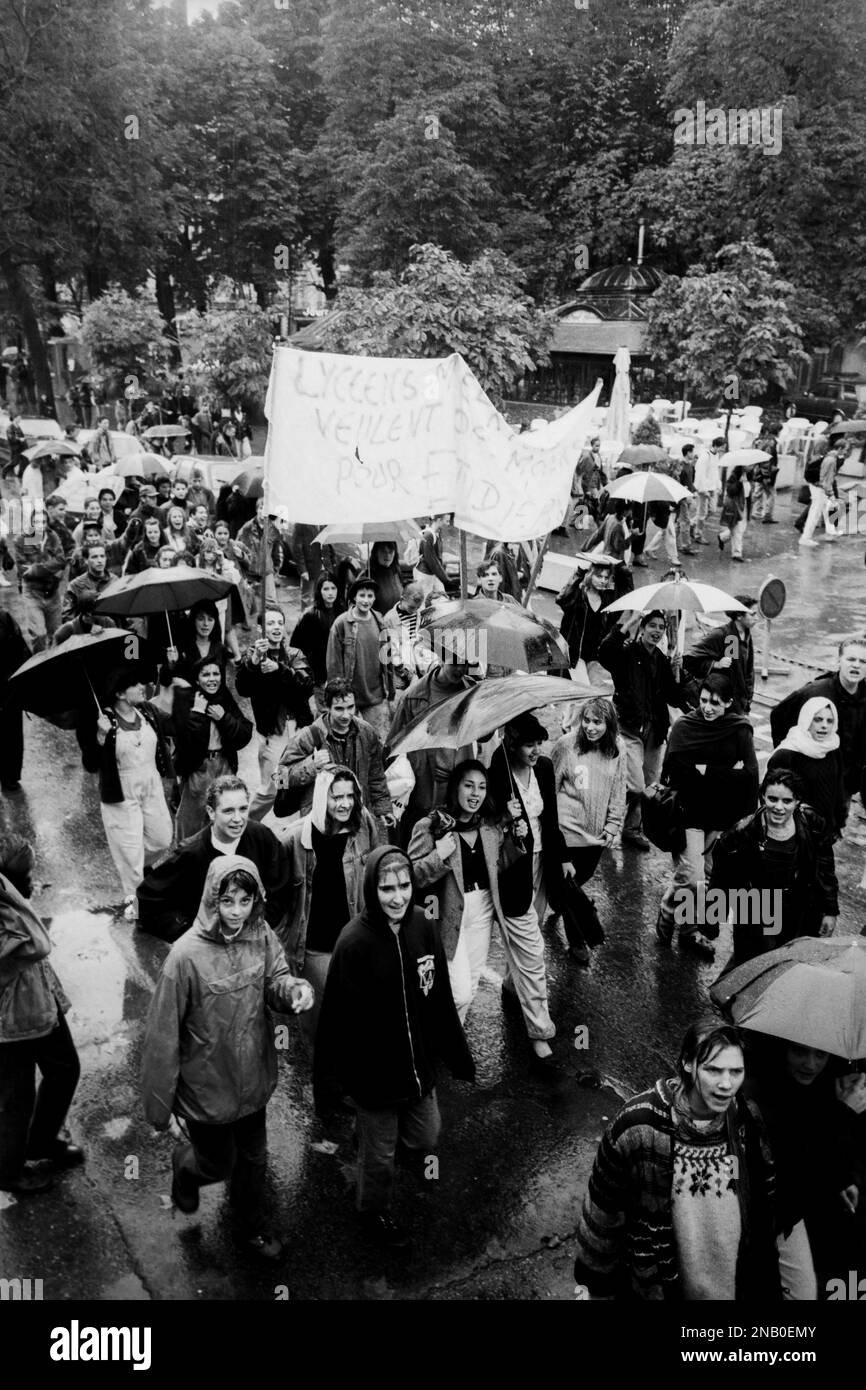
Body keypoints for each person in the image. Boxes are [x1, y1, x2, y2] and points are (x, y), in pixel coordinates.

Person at [141, 855, 313, 1262]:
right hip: (207, 1091)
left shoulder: (263, 934)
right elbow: (162, 1038)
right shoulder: (183, 958)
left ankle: (248, 1229)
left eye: (245, 901)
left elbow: (275, 978)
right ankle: (186, 1167)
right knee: (218, 1164)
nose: (237, 912)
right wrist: (159, 1109)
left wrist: (291, 991)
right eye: (228, 901)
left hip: (253, 1080)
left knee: (253, 1162)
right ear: (212, 900)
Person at [313, 846, 475, 1251]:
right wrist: (330, 1089)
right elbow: (334, 1022)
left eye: (404, 886)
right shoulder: (353, 943)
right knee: (380, 1159)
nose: (398, 897)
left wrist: (457, 1055)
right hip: (374, 1079)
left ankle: (369, 1141)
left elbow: (439, 999)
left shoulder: (423, 925)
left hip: (418, 1069)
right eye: (387, 888)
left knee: (425, 1138)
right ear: (372, 889)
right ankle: (372, 1213)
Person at [573, 1018, 782, 1302]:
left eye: (736, 1071)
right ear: (687, 1063)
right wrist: (594, 1284)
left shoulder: (747, 1119)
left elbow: (766, 1199)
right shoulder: (639, 1126)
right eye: (713, 1070)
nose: (726, 1084)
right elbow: (604, 1208)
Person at [744, 1039, 866, 1297]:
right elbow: (796, 1168)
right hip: (765, 1207)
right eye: (799, 1051)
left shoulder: (817, 1085)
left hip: (791, 1206)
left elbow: (817, 1143)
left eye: (820, 1053)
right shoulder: (760, 1095)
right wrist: (844, 1112)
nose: (810, 1064)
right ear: (782, 1048)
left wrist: (841, 1178)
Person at [0, 837, 84, 1196]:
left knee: (65, 1068)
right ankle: (8, 1170)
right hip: (10, 1018)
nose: (33, 883)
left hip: (37, 1003)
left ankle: (41, 1140)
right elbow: (38, 942)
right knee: (16, 1097)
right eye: (27, 878)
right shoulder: (9, 911)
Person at [655, 672, 759, 958]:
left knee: (707, 880)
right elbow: (675, 771)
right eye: (703, 700)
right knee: (692, 877)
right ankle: (666, 915)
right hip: (687, 814)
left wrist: (705, 770)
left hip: (721, 817)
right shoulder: (685, 726)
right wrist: (728, 774)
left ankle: (688, 932)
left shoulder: (739, 729)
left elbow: (750, 775)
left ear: (728, 702)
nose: (708, 708)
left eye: (715, 702)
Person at [487, 714, 563, 1074]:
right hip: (512, 873)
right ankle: (539, 1030)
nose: (537, 751)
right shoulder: (496, 772)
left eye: (539, 743)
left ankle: (508, 983)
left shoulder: (544, 769)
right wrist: (504, 815)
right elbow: (483, 824)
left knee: (525, 942)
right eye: (529, 744)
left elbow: (551, 821)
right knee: (533, 951)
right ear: (512, 743)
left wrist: (561, 859)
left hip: (542, 867)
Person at [281, 767, 379, 1036]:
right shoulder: (295, 837)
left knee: (356, 1017)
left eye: (350, 796)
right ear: (323, 797)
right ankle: (320, 1075)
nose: (345, 803)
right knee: (320, 1024)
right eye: (337, 797)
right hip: (315, 948)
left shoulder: (363, 826)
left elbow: (375, 873)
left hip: (354, 942)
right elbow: (274, 891)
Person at [408, 759, 506, 1023]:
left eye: (482, 787)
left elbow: (501, 866)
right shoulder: (432, 826)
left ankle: (454, 1038)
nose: (476, 794)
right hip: (450, 914)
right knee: (460, 992)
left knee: (472, 983)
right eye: (469, 786)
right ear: (455, 788)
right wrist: (438, 856)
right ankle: (436, 1032)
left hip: (483, 910)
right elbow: (409, 877)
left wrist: (517, 837)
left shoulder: (489, 826)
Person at [136, 775, 291, 941]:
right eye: (228, 811)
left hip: (254, 939)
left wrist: (257, 927)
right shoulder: (190, 853)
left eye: (243, 809)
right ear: (211, 812)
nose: (238, 819)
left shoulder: (262, 837)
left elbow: (281, 889)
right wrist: (191, 933)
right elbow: (145, 898)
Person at [710, 768, 839, 966]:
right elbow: (721, 877)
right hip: (755, 912)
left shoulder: (811, 822)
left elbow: (825, 868)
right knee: (753, 965)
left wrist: (829, 911)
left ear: (797, 801)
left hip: (798, 911)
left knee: (788, 965)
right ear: (762, 797)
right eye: (772, 799)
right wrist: (711, 917)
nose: (779, 807)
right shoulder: (741, 834)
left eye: (787, 801)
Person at [599, 609, 689, 850]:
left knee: (649, 787)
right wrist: (627, 623)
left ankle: (631, 828)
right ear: (643, 627)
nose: (657, 631)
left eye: (661, 627)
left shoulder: (661, 659)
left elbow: (674, 695)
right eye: (652, 625)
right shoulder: (627, 652)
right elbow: (605, 653)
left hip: (654, 732)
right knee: (636, 785)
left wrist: (678, 672)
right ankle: (606, 814)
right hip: (629, 728)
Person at [551, 697, 626, 963]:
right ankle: (578, 940)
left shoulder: (617, 748)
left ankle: (559, 901)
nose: (591, 727)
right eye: (586, 720)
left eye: (597, 722)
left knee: (577, 881)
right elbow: (551, 786)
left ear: (609, 724)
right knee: (572, 887)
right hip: (567, 830)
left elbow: (619, 788)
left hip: (594, 835)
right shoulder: (566, 745)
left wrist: (614, 824)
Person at [95, 665, 175, 919]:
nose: (143, 687)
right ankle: (138, 909)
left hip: (150, 784)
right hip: (121, 792)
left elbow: (172, 723)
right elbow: (89, 762)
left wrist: (172, 676)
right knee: (130, 853)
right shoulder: (103, 720)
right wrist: (99, 737)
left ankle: (135, 865)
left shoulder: (147, 711)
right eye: (136, 685)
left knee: (162, 838)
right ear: (120, 694)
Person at [386, 654, 480, 845]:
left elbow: (484, 736)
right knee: (423, 838)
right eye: (455, 663)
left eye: (466, 664)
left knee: (457, 840)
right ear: (442, 658)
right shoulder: (413, 696)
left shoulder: (471, 691)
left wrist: (489, 711)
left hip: (460, 782)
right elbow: (393, 745)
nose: (461, 669)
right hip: (425, 785)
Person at [275, 677, 392, 828]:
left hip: (357, 817)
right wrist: (311, 766)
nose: (346, 715)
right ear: (328, 707)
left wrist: (383, 809)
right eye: (339, 709)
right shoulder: (307, 736)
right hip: (321, 822)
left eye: (350, 707)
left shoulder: (367, 732)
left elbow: (376, 776)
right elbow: (280, 777)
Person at [770, 634, 866, 812]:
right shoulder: (815, 692)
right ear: (839, 661)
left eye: (863, 661)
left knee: (833, 828)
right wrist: (790, 755)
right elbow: (779, 715)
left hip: (845, 784)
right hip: (810, 780)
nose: (856, 665)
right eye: (851, 659)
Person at [235, 605, 314, 820]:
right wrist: (254, 663)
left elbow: (306, 684)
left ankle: (294, 826)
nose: (276, 627)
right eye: (270, 623)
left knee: (301, 781)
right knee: (274, 787)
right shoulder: (252, 655)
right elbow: (242, 688)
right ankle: (247, 824)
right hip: (274, 736)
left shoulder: (294, 654)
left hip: (298, 730)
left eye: (279, 622)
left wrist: (280, 670)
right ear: (261, 628)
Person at [172, 658, 253, 839]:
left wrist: (224, 718)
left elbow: (244, 733)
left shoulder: (224, 698)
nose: (212, 679)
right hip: (199, 768)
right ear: (197, 679)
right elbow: (185, 743)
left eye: (216, 674)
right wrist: (197, 713)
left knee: (224, 816)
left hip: (224, 763)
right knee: (191, 822)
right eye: (206, 674)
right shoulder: (189, 700)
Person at [326, 576, 394, 743]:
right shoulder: (341, 624)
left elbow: (387, 658)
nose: (366, 600)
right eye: (362, 595)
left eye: (370, 596)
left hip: (375, 695)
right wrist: (337, 696)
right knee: (348, 741)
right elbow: (333, 664)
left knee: (376, 740)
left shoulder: (379, 621)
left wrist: (390, 691)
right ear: (354, 597)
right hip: (349, 697)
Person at [767, 698, 846, 840]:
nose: (824, 726)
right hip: (794, 835)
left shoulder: (833, 749)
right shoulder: (786, 754)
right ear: (807, 720)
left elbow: (838, 788)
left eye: (829, 721)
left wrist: (838, 823)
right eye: (818, 719)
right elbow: (769, 797)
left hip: (824, 833)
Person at [684, 596, 758, 716]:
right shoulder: (721, 634)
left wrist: (748, 699)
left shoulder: (745, 634)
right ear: (739, 616)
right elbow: (688, 659)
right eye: (753, 614)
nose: (757, 618)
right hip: (720, 703)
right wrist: (715, 664)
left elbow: (743, 671)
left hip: (740, 702)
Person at [11, 517, 66, 652]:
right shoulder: (21, 540)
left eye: (43, 522)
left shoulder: (53, 537)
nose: (40, 525)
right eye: (36, 522)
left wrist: (36, 569)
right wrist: (51, 569)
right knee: (39, 635)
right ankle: (39, 664)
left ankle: (55, 663)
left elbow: (61, 561)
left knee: (57, 634)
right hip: (32, 592)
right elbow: (24, 570)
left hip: (52, 592)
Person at [556, 552, 619, 670]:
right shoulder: (579, 596)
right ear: (590, 575)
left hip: (592, 659)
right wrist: (579, 573)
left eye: (606, 577)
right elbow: (562, 599)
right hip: (571, 656)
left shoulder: (606, 600)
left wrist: (621, 568)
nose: (603, 581)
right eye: (599, 576)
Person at [290, 570, 343, 705]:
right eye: (326, 589)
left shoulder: (343, 611)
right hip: (318, 674)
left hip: (339, 671)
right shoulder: (310, 615)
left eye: (333, 588)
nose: (330, 592)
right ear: (319, 591)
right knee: (323, 711)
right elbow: (295, 646)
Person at [0, 612, 30, 793]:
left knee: (11, 733)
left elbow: (21, 651)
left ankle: (10, 775)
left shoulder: (5, 619)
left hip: (8, 688)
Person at [381, 581, 429, 692]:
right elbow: (390, 653)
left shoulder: (417, 614)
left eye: (418, 608)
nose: (415, 611)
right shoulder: (389, 619)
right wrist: (407, 674)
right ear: (402, 598)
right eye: (412, 607)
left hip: (415, 669)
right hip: (398, 675)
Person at [237, 498, 282, 610]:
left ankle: (270, 624)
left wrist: (275, 570)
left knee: (271, 603)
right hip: (251, 572)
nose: (264, 511)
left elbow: (277, 552)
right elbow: (238, 547)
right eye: (261, 508)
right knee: (253, 605)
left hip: (267, 571)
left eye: (267, 509)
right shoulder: (247, 528)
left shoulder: (273, 529)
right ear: (257, 509)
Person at [61, 539, 111, 622]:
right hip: (86, 631)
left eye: (102, 556)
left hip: (114, 629)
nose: (99, 561)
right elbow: (67, 616)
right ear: (86, 560)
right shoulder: (75, 585)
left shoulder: (115, 580)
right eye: (94, 557)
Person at [691, 437, 724, 543]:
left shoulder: (717, 456)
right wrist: (703, 489)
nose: (722, 450)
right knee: (702, 513)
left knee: (712, 510)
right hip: (703, 489)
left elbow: (715, 472)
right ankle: (698, 535)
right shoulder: (705, 456)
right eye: (721, 447)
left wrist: (719, 485)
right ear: (716, 446)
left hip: (712, 488)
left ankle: (692, 523)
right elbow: (700, 473)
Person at [413, 514, 450, 597]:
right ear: (439, 520)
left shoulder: (437, 534)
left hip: (432, 573)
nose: (448, 524)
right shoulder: (428, 535)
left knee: (442, 596)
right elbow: (431, 560)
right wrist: (445, 578)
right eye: (446, 521)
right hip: (425, 574)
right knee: (423, 600)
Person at [752, 424, 780, 523]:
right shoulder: (771, 442)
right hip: (765, 471)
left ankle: (756, 512)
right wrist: (766, 475)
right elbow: (766, 460)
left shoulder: (756, 441)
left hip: (757, 470)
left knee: (758, 492)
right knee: (771, 493)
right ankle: (768, 515)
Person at [368, 541, 403, 615]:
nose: (387, 555)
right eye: (383, 551)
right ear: (376, 553)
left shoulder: (396, 571)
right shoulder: (368, 575)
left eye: (390, 551)